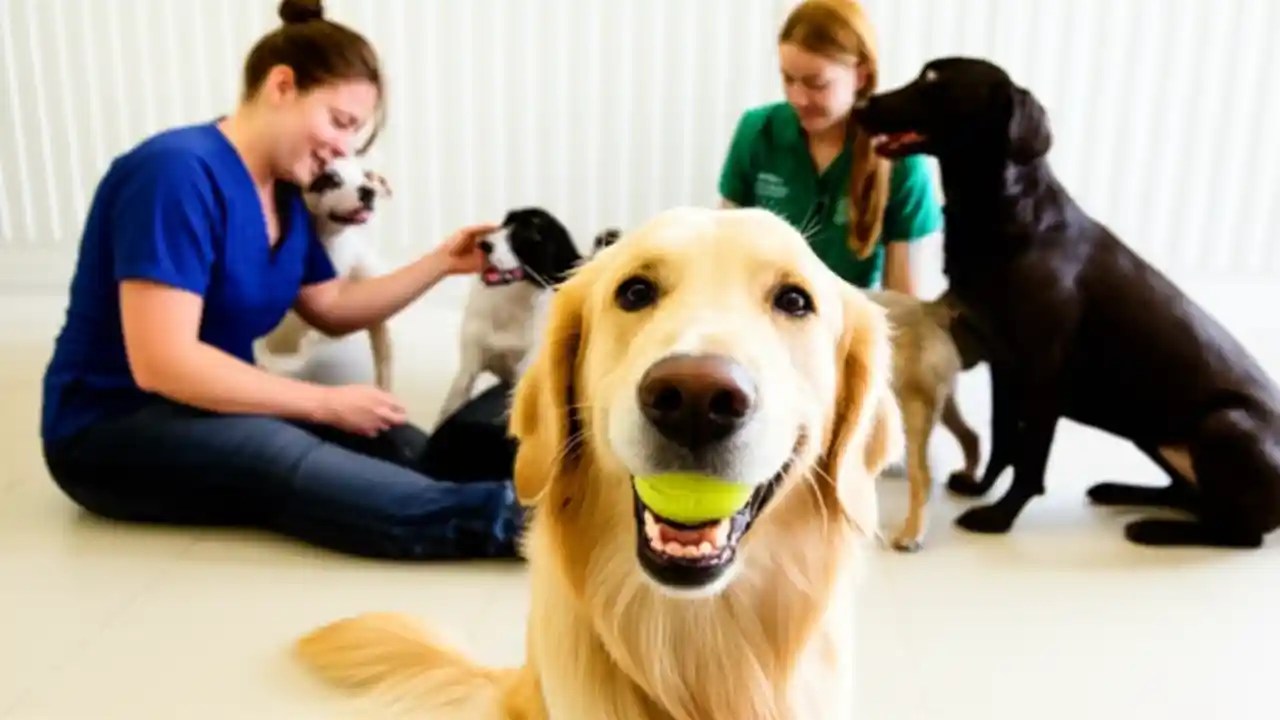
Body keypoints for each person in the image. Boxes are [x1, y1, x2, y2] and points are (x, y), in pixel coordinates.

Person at [38, 0, 522, 561]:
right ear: (282, 85)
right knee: (283, 451)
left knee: (402, 444)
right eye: (340, 122)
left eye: (355, 133)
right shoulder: (173, 172)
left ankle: (559, 495)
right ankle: (532, 527)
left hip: (216, 404)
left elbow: (334, 305)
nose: (345, 148)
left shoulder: (290, 194)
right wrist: (321, 403)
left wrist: (441, 261)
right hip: (111, 428)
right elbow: (163, 362)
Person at [718, 0, 942, 294]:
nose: (797, 98)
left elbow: (904, 298)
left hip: (852, 326)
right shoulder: (756, 132)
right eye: (788, 79)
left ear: (860, 75)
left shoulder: (900, 159)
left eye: (816, 84)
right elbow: (722, 253)